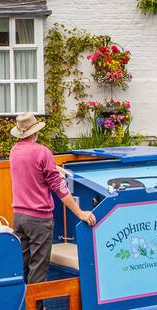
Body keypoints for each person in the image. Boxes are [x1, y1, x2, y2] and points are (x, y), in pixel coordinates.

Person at [9, 112, 96, 286]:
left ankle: (25, 309)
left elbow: (32, 168)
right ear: (36, 131)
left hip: (19, 216)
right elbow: (59, 187)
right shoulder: (43, 152)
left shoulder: (14, 151)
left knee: (23, 265)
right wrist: (79, 213)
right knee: (38, 268)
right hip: (39, 219)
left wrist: (53, 168)